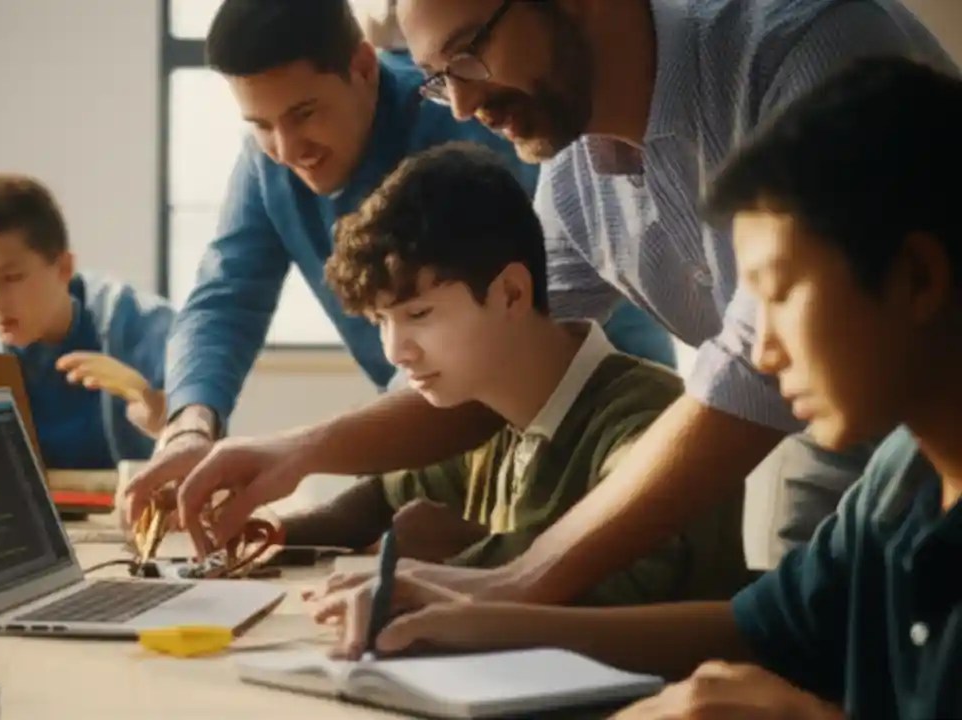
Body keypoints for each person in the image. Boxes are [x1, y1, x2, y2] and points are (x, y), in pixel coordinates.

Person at [127, 0, 954, 615]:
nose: (458, 104)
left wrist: (525, 577)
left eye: (468, 56)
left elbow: (748, 369)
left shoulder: (801, 44)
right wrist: (294, 453)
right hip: (851, 457)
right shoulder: (572, 181)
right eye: (440, 78)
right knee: (814, 649)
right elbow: (491, 365)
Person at [323, 57, 962, 719]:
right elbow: (751, 629)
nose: (763, 351)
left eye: (778, 295)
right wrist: (483, 621)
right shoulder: (898, 482)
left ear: (916, 278)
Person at [150, 0, 676, 478]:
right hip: (440, 428)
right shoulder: (268, 168)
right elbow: (223, 301)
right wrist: (190, 424)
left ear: (362, 66)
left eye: (304, 114)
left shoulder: (486, 123)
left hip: (598, 418)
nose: (288, 150)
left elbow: (508, 346)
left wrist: (304, 451)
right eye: (261, 125)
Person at [281, 142, 746, 604]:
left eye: (419, 314)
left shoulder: (647, 419)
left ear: (510, 293)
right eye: (382, 321)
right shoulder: (485, 411)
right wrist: (270, 532)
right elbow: (385, 501)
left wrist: (467, 550)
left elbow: (628, 581)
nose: (396, 351)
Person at [0, 173, 173, 468]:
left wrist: (163, 417)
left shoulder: (148, 330)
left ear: (64, 267)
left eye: (11, 278)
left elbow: (206, 451)